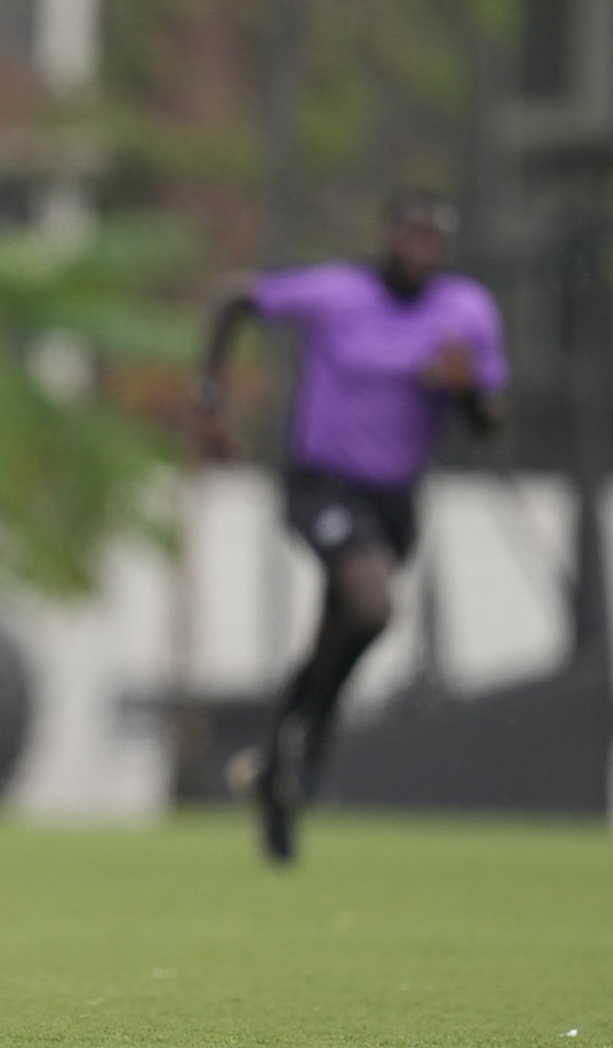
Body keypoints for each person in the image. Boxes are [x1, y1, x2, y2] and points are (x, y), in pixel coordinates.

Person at [190, 189, 508, 865]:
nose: (421, 249)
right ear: (388, 234)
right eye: (411, 234)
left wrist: (465, 388)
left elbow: (488, 423)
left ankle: (278, 765)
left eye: (434, 238)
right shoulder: (338, 293)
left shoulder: (466, 311)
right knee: (372, 606)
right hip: (323, 484)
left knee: (341, 631)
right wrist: (210, 400)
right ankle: (314, 743)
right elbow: (232, 297)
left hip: (396, 500)